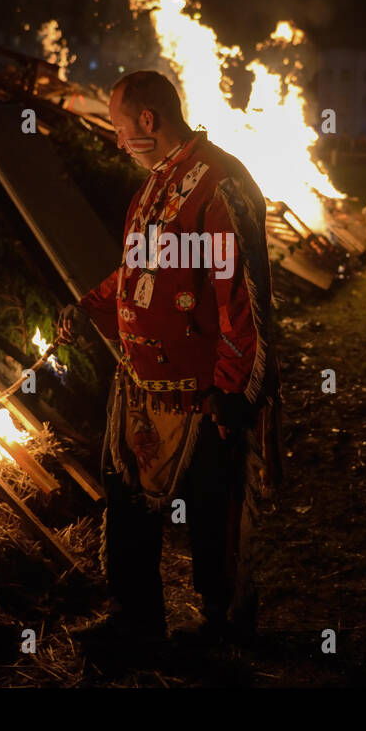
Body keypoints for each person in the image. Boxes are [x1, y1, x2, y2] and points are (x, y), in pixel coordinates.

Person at [58, 69, 282, 649]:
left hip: (203, 395)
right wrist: (89, 307)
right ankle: (137, 621)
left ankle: (219, 631)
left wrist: (232, 392)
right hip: (138, 389)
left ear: (148, 122)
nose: (116, 138)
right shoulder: (157, 184)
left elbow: (243, 299)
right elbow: (139, 272)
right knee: (128, 502)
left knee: (211, 515)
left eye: (118, 126)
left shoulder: (221, 185)